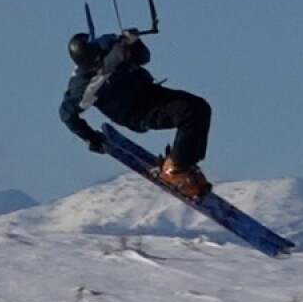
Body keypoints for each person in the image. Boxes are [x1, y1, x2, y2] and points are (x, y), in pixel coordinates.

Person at [58, 27, 214, 198]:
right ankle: (174, 168)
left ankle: (186, 163)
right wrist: (92, 138)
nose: (98, 61)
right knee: (188, 113)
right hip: (137, 113)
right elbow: (66, 114)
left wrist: (134, 42)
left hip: (150, 93)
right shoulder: (83, 86)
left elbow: (143, 58)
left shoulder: (108, 46)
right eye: (94, 61)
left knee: (201, 107)